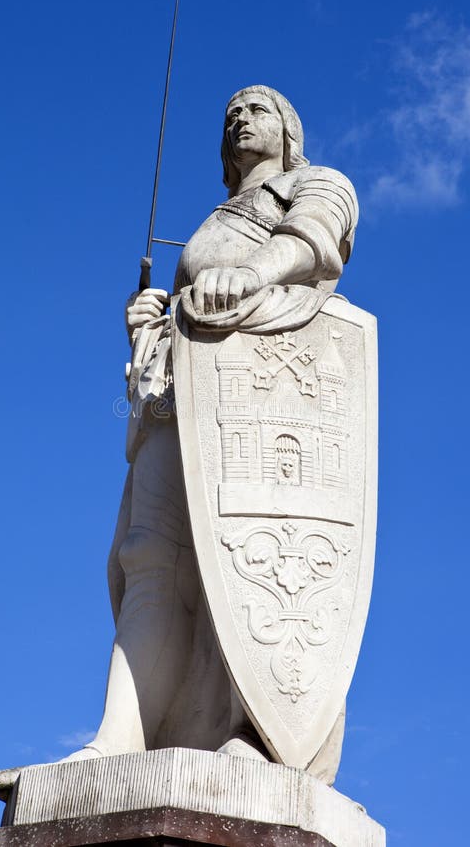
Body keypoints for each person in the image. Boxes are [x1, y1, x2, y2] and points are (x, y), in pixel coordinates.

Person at [63, 86, 358, 782]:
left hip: (264, 386)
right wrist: (147, 330)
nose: (239, 118)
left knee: (254, 564)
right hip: (184, 387)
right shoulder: (213, 218)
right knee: (150, 556)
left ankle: (257, 734)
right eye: (230, 114)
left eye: (255, 108)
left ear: (288, 129)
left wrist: (248, 274)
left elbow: (317, 239)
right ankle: (118, 738)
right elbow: (189, 320)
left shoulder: (315, 183)